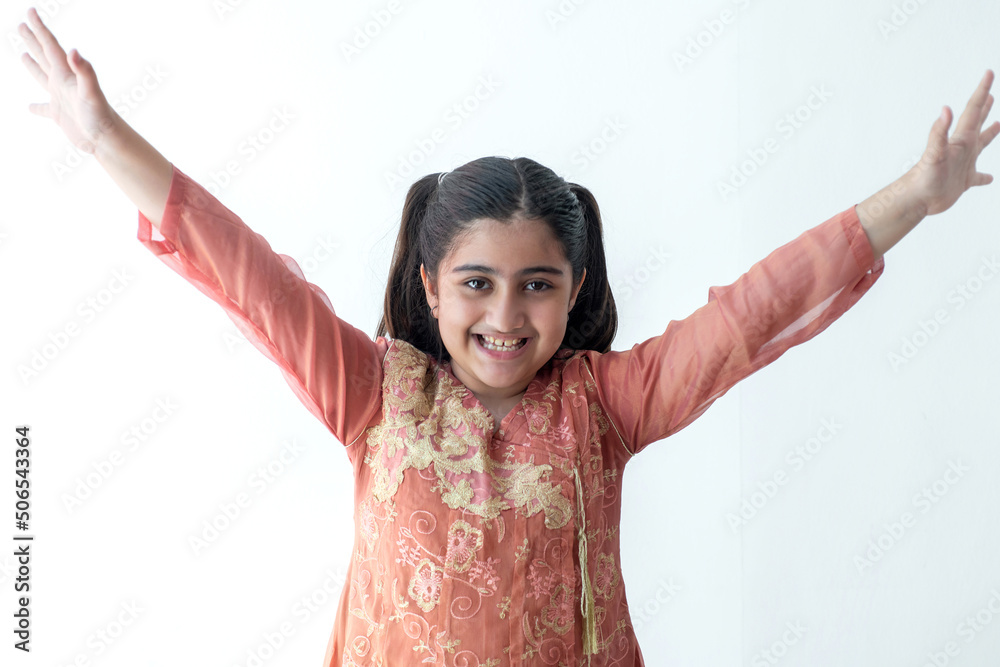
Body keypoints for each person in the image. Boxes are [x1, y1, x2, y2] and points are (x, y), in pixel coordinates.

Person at [18, 6, 998, 666]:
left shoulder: (609, 405)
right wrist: (106, 138)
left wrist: (917, 194)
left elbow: (750, 313)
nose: (503, 314)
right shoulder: (373, 393)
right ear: (429, 287)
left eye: (536, 286)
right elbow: (251, 278)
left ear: (574, 293)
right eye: (477, 284)